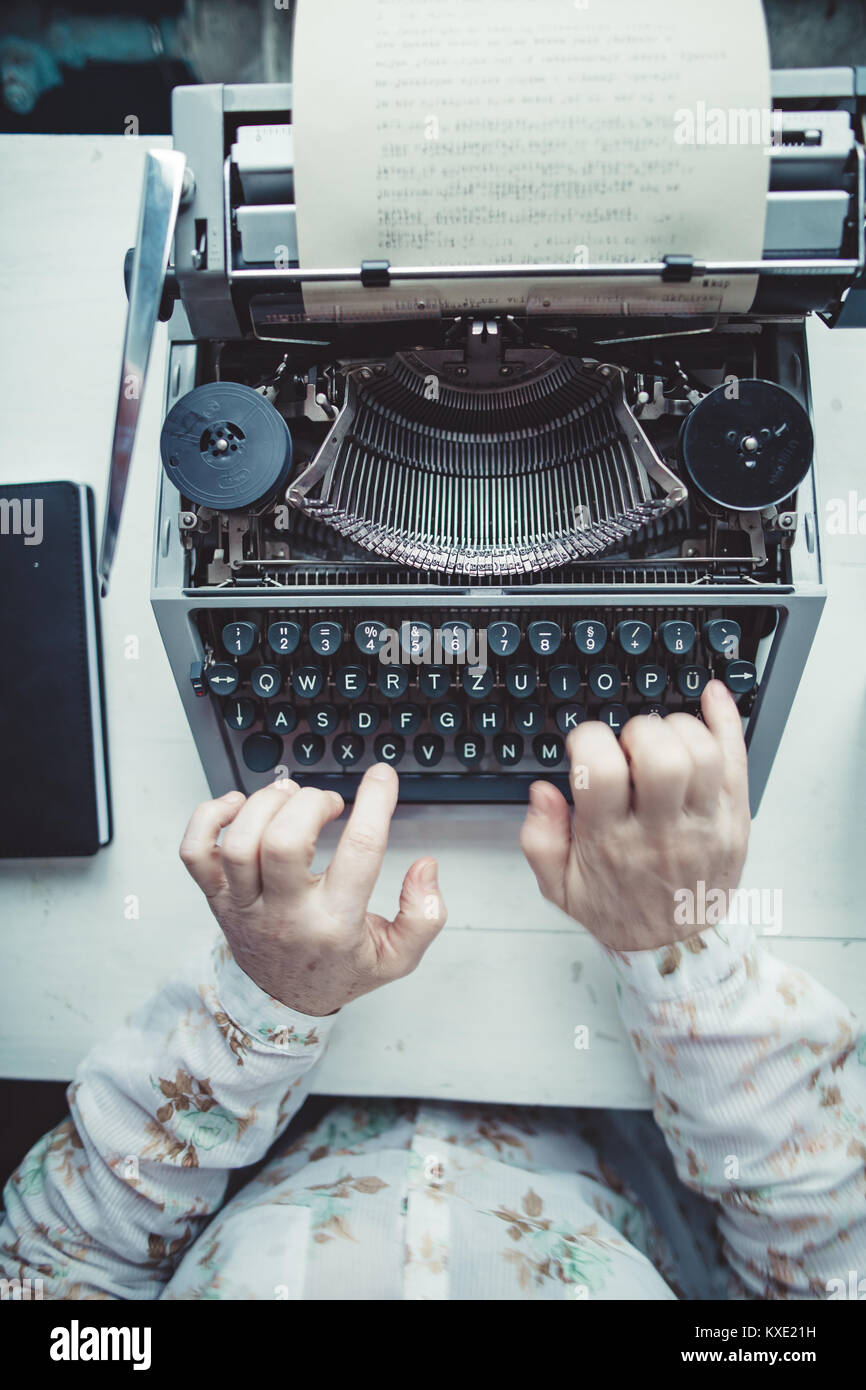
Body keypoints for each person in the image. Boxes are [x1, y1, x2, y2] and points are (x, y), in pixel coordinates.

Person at [1, 681, 863, 1300]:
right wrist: (682, 951)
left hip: (279, 1137)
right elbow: (827, 1277)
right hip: (632, 1160)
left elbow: (54, 1270)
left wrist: (262, 1002)